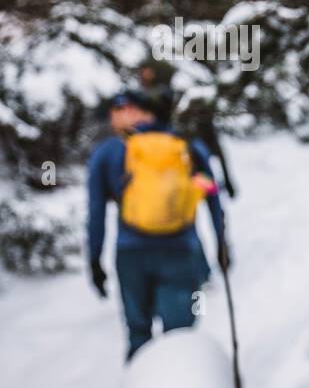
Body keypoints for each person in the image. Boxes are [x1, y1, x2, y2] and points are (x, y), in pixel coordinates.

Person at [87, 89, 229, 361]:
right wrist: (222, 243)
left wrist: (94, 261)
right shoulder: (187, 147)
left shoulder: (108, 153)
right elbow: (212, 197)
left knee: (139, 333)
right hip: (181, 251)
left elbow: (96, 213)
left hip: (130, 255)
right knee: (180, 337)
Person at [137, 60, 237, 199]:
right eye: (143, 72)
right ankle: (207, 192)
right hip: (176, 138)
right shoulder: (148, 92)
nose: (146, 75)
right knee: (195, 167)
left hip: (197, 131)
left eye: (147, 71)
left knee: (204, 161)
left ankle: (216, 193)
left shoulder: (169, 89)